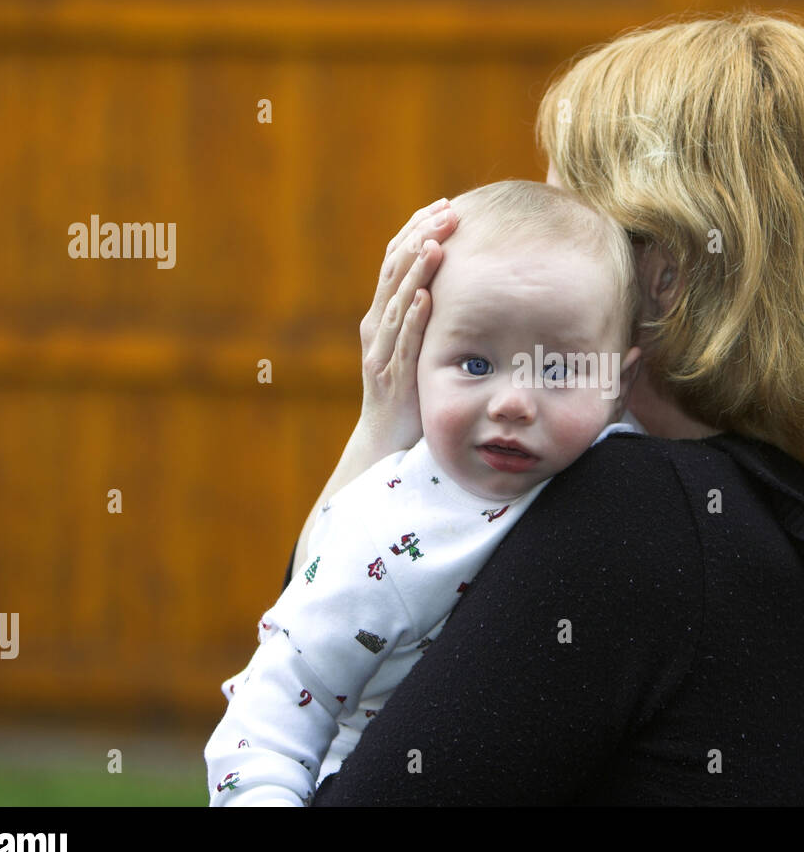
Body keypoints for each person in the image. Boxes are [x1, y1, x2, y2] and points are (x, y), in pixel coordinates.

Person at [294, 10, 804, 805]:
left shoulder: (641, 517)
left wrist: (388, 418)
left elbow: (317, 673)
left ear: (668, 277)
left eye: (572, 231)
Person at [206, 180, 642, 805]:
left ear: (620, 384)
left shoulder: (623, 470)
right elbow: (264, 723)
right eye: (474, 364)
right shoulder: (385, 531)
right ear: (413, 360)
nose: (514, 402)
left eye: (559, 369)